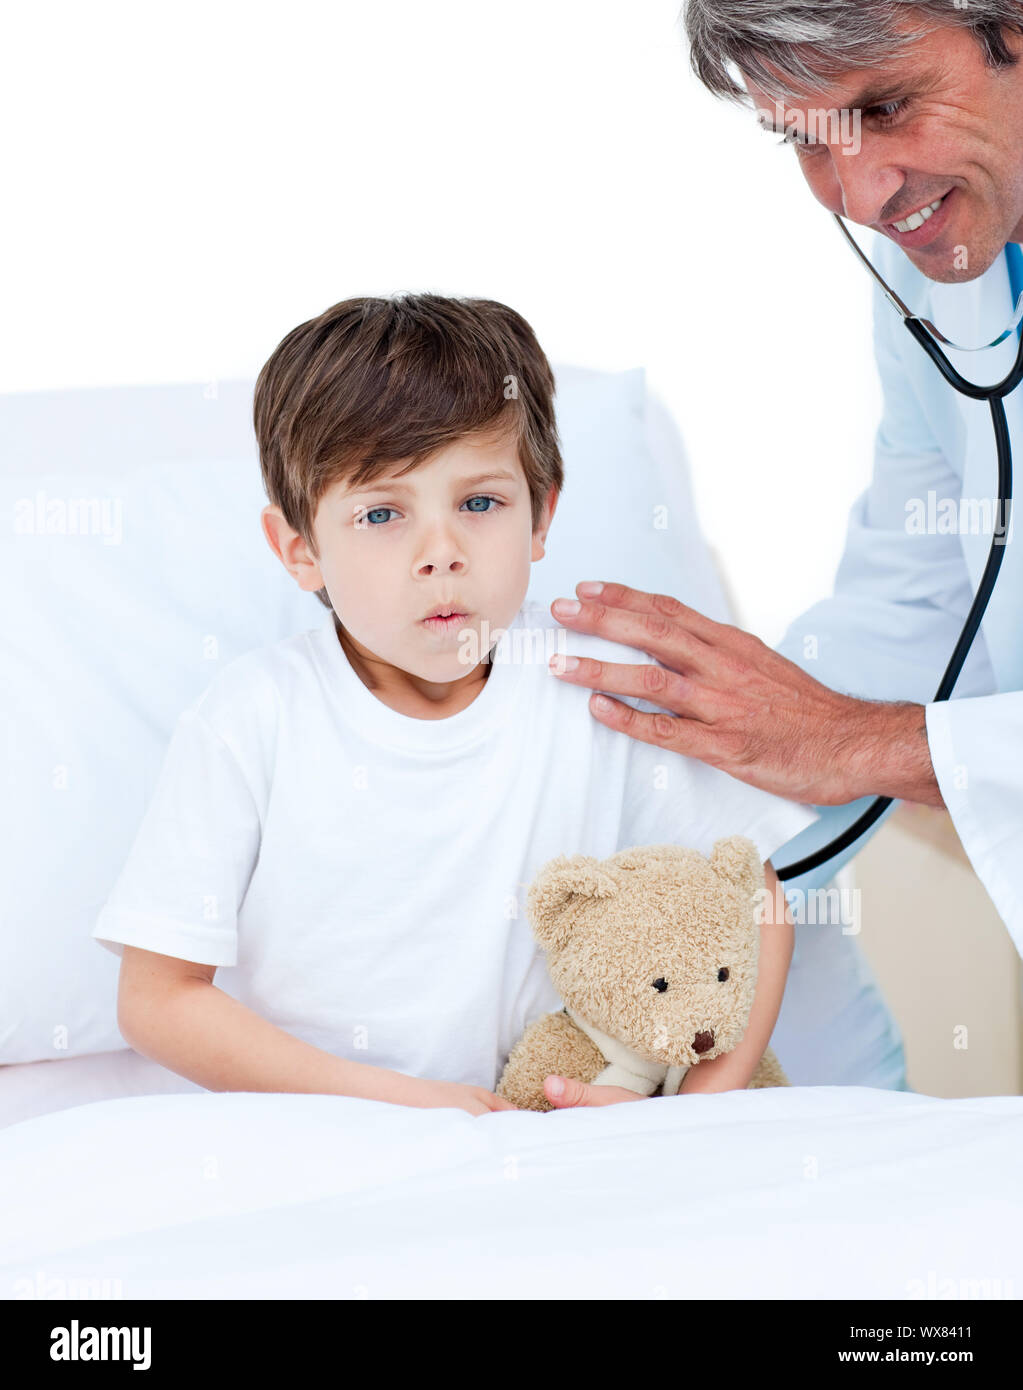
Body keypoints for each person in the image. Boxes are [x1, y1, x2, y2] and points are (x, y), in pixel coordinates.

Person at [91, 293, 818, 1116]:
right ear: (300, 550)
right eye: (381, 514)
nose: (441, 554)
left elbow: (746, 896)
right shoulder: (252, 719)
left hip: (558, 1134)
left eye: (478, 504)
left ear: (540, 514)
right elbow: (156, 999)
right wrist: (402, 1104)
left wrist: (698, 1107)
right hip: (325, 1134)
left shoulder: (595, 684)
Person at [543, 1, 1023, 1101]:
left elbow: (863, 723)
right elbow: (923, 597)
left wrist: (861, 743)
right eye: (804, 140)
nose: (860, 196)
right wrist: (660, 877)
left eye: (885, 106)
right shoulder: (940, 271)